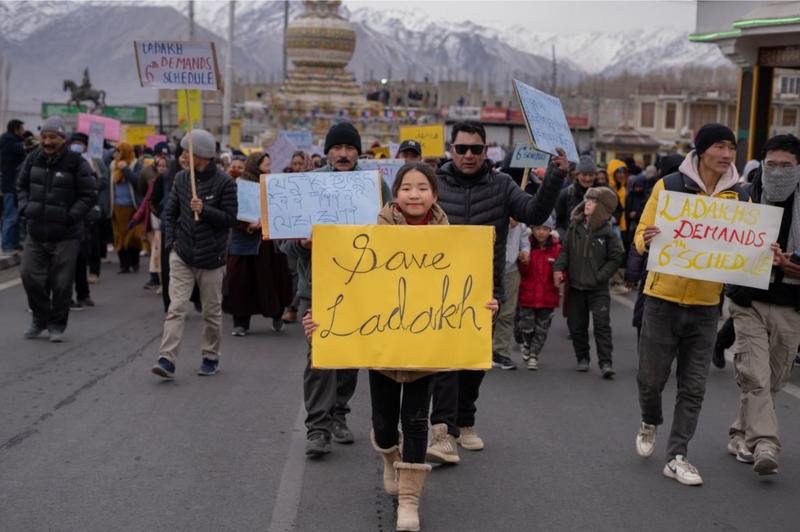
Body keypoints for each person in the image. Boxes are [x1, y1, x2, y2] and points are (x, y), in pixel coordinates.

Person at [303, 162, 498, 532]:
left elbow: (467, 288)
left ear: (435, 195)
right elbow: (346, 285)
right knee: (383, 423)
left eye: (422, 187)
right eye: (406, 187)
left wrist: (485, 304)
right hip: (382, 351)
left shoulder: (455, 240)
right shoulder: (371, 234)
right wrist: (322, 320)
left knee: (415, 419)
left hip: (427, 350)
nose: (414, 194)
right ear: (395, 195)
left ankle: (410, 500)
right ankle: (390, 456)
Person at [425, 120, 567, 465]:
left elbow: (534, 212)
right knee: (445, 362)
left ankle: (465, 421)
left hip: (485, 291)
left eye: (476, 149)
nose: (469, 155)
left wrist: (554, 177)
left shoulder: (502, 184)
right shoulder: (433, 184)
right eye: (462, 149)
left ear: (486, 150)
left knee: (474, 362)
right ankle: (442, 433)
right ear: (451, 150)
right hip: (439, 290)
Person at [634, 123, 748, 486]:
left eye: (731, 147)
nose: (727, 154)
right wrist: (647, 240)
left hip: (706, 306)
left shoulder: (741, 197)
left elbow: (746, 245)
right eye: (719, 146)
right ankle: (650, 419)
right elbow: (640, 234)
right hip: (661, 300)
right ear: (700, 150)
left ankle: (678, 456)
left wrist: (764, 254)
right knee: (651, 380)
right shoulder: (669, 186)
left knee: (693, 386)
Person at [279, 122, 392, 457]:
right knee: (320, 358)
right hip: (317, 289)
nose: (343, 154)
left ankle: (339, 414)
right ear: (327, 151)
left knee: (348, 358)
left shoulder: (376, 186)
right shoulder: (308, 186)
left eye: (350, 148)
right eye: (337, 148)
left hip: (360, 288)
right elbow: (285, 245)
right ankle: (318, 428)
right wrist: (303, 244)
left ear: (358, 152)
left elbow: (393, 234)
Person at [725, 134, 800, 476]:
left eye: (787, 166)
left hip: (791, 304)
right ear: (762, 164)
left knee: (773, 380)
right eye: (772, 165)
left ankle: (740, 432)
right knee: (755, 374)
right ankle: (765, 444)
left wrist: (791, 264)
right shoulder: (743, 197)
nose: (779, 171)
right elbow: (720, 245)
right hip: (748, 300)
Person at [151, 129, 237, 380]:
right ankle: (166, 358)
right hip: (182, 255)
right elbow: (171, 213)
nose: (183, 156)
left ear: (201, 154)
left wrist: (206, 209)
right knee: (176, 307)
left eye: (187, 151)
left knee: (211, 311)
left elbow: (230, 219)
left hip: (212, 260)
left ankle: (210, 356)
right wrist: (173, 243)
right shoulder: (180, 179)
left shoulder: (225, 183)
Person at [17, 117, 97, 342]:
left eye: (52, 137)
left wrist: (70, 216)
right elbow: (20, 186)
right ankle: (40, 318)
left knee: (61, 284)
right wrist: (25, 208)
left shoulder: (76, 162)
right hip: (36, 231)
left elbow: (89, 194)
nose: (47, 141)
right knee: (29, 276)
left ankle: (57, 325)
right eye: (44, 137)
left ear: (63, 139)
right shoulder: (32, 158)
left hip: (65, 234)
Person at [553, 186, 624, 377]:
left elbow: (617, 256)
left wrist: (601, 276)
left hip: (598, 288)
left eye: (593, 201)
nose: (587, 204)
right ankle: (582, 358)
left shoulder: (607, 231)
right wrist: (558, 269)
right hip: (576, 286)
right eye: (587, 200)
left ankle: (606, 363)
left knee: (601, 325)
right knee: (577, 326)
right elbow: (565, 251)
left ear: (601, 207)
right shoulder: (574, 226)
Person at [223, 152, 293, 335]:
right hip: (244, 245)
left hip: (268, 244)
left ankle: (276, 315)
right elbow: (232, 212)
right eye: (265, 165)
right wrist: (248, 225)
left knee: (272, 281)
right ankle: (241, 323)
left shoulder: (273, 184)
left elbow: (282, 208)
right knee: (241, 283)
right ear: (256, 165)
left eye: (270, 165)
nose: (269, 168)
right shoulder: (239, 186)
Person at [518, 216, 561, 370]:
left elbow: (561, 269)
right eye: (537, 228)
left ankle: (534, 355)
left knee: (542, 329)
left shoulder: (556, 249)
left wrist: (560, 276)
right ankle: (527, 344)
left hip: (548, 296)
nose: (541, 232)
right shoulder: (526, 246)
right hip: (528, 295)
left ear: (550, 231)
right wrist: (524, 262)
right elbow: (522, 272)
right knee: (527, 326)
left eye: (544, 229)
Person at [491, 217, 529, 370]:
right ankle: (480, 350)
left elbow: (525, 242)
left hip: (511, 271)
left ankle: (501, 353)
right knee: (486, 311)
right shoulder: (495, 220)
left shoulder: (522, 226)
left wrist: (525, 252)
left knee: (507, 314)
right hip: (490, 270)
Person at [109, 142, 143, 273]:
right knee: (119, 236)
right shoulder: (113, 165)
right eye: (115, 151)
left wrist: (125, 169)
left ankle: (135, 262)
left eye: (119, 151)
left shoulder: (135, 164)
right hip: (117, 206)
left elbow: (138, 182)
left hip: (133, 206)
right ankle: (124, 265)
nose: (116, 154)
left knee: (133, 237)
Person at [555, 155, 597, 239]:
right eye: (584, 175)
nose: (588, 178)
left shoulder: (601, 193)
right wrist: (564, 238)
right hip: (571, 241)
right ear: (577, 175)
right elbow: (558, 222)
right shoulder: (566, 194)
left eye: (591, 175)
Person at [1, 119, 26, 253]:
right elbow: (23, 149)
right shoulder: (10, 141)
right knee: (11, 216)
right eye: (22, 129)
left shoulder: (10, 140)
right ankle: (7, 245)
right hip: (10, 184)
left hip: (13, 184)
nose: (23, 132)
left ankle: (14, 243)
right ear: (16, 129)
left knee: (15, 216)